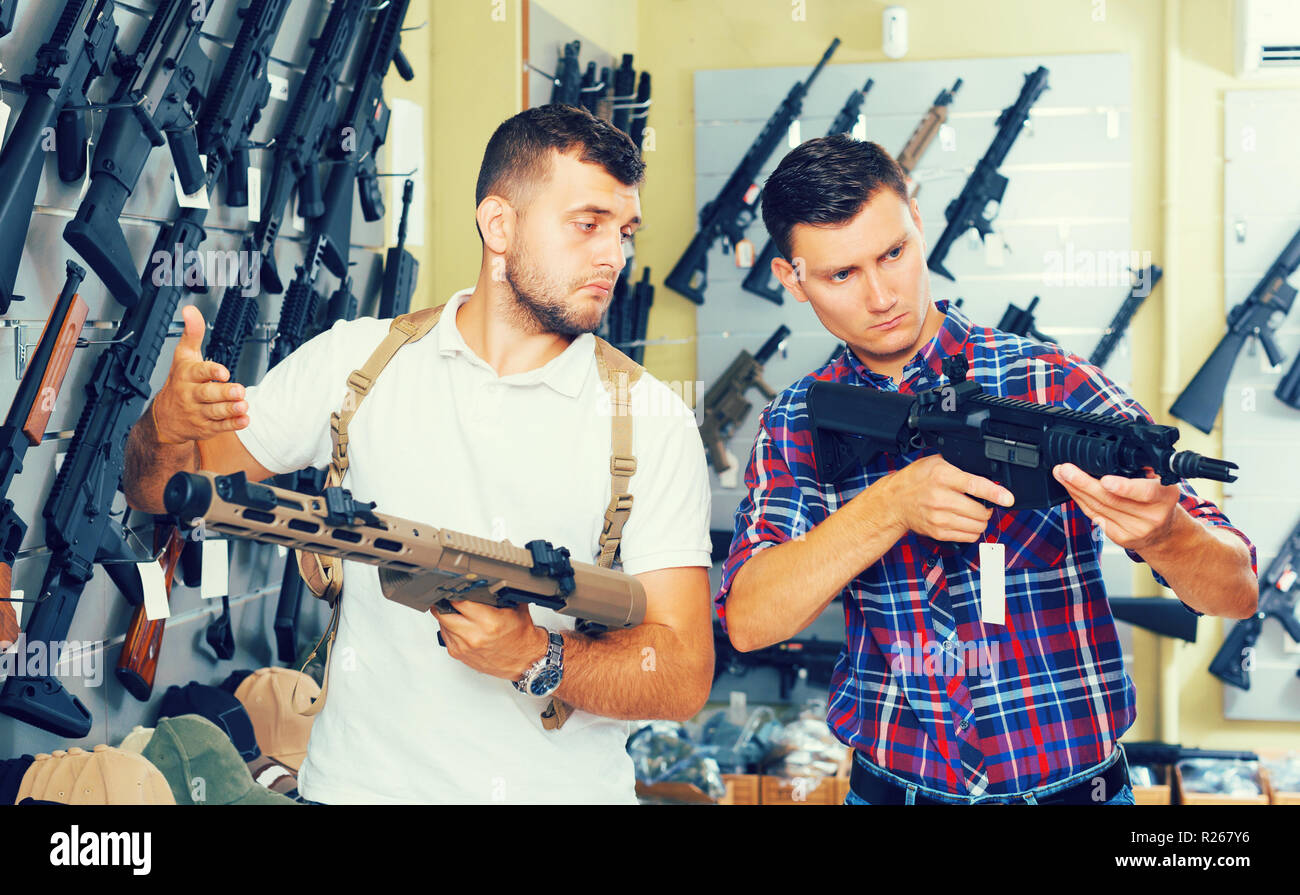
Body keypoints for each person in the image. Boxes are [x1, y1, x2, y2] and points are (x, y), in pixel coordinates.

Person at [122, 104, 715, 804]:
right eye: (588, 225)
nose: (613, 254)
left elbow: (679, 674)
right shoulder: (358, 362)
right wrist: (163, 426)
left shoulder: (651, 420)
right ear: (499, 225)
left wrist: (535, 656)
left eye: (624, 232)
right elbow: (161, 490)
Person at [715, 135, 1259, 806]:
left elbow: (1235, 589)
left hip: (1073, 791)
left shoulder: (1048, 380)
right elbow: (749, 619)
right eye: (841, 274)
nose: (883, 295)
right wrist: (891, 505)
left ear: (918, 218)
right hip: (895, 791)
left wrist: (1164, 533)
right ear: (790, 280)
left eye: (894, 252)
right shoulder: (799, 419)